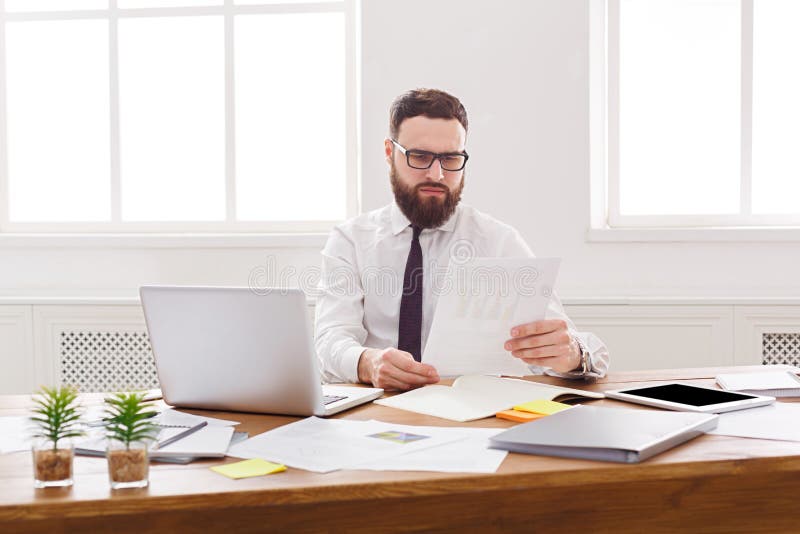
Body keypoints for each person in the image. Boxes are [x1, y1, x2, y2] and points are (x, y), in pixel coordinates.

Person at [314, 88, 608, 390]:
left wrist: (572, 354)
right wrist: (367, 363)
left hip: (471, 414)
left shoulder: (498, 242)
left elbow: (573, 346)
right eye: (420, 157)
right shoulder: (350, 242)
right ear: (390, 153)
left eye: (451, 158)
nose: (437, 174)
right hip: (375, 413)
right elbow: (329, 341)